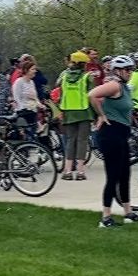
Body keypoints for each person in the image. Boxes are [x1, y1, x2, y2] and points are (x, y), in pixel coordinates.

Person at [88, 55, 138, 228]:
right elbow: (92, 95)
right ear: (117, 71)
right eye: (127, 70)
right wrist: (101, 115)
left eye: (131, 70)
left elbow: (125, 109)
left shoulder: (124, 87)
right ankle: (106, 217)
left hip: (122, 134)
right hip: (110, 134)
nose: (130, 73)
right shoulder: (114, 85)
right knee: (113, 176)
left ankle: (128, 212)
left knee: (124, 174)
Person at [57, 51, 93, 181]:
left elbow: (60, 93)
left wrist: (60, 111)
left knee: (70, 141)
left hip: (68, 112)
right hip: (84, 112)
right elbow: (92, 95)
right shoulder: (87, 77)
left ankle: (67, 171)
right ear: (83, 64)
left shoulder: (64, 76)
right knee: (82, 141)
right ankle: (80, 171)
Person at [12, 60, 46, 137]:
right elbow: (17, 98)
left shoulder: (31, 82)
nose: (35, 71)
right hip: (24, 113)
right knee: (28, 135)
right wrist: (22, 109)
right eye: (33, 69)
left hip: (33, 112)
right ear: (26, 70)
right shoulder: (19, 82)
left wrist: (40, 105)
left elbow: (35, 98)